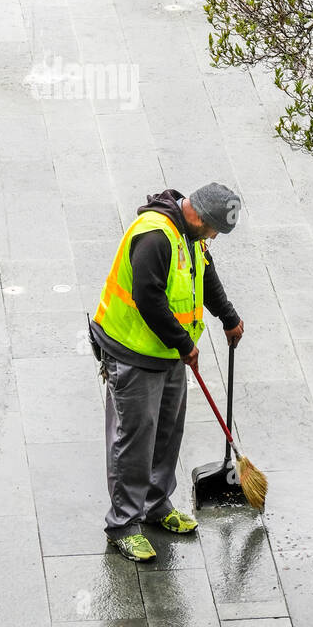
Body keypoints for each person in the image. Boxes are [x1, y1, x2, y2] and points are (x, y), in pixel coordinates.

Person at [90, 183, 244, 562]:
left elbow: (205, 276)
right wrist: (184, 343)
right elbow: (148, 299)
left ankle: (156, 506)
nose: (212, 238)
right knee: (134, 439)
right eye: (212, 230)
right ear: (199, 217)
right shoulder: (156, 237)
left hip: (168, 353)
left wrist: (228, 316)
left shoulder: (191, 237)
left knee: (168, 431)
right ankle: (123, 524)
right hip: (133, 353)